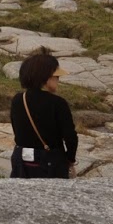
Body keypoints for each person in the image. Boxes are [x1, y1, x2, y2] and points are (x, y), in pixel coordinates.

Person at [8, 50, 77, 179]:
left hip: (21, 160)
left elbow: (17, 131)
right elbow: (70, 137)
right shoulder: (58, 103)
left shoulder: (18, 99)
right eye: (56, 76)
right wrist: (70, 160)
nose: (58, 79)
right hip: (50, 162)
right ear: (45, 77)